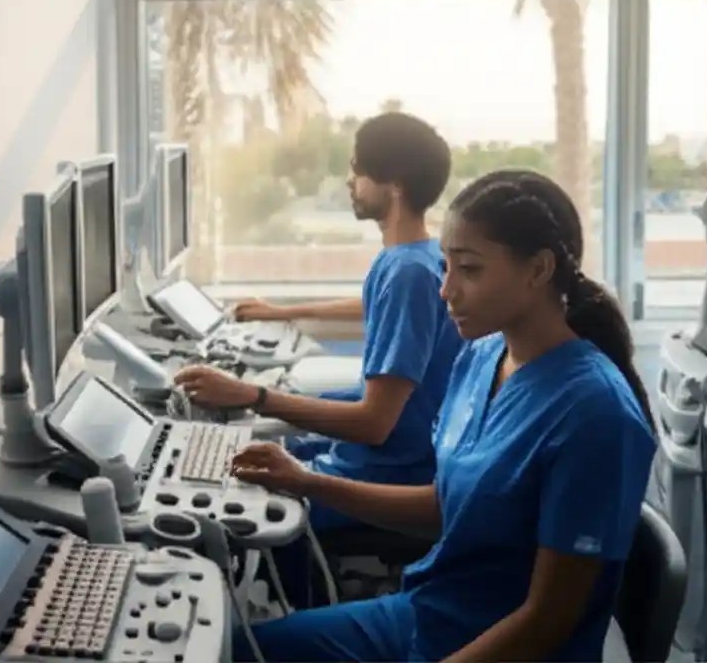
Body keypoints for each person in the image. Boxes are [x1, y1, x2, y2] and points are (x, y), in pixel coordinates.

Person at [226, 169, 656, 662]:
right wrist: (306, 482)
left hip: (497, 648)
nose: (445, 290)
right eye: (446, 267)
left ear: (538, 270)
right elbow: (449, 505)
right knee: (234, 651)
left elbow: (548, 620)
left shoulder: (596, 415)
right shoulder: (481, 357)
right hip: (428, 616)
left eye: (468, 270)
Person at [174, 112, 465, 527]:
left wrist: (252, 396)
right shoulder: (418, 257)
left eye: (358, 171)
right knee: (239, 454)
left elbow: (374, 424)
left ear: (394, 185)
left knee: (226, 498)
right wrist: (285, 312)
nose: (350, 181)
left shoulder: (409, 273)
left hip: (389, 471)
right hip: (389, 455)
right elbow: (375, 306)